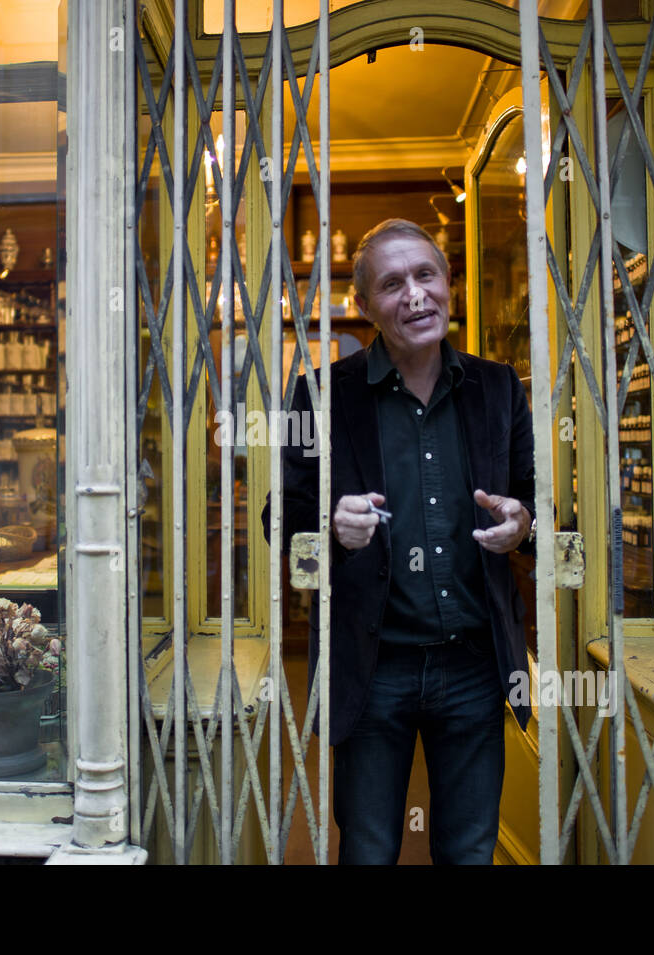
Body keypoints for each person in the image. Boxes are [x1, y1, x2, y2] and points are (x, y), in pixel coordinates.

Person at [261, 218, 535, 864]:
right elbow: (282, 520)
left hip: (473, 664)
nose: (414, 295)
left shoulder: (499, 389)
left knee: (469, 850)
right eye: (392, 284)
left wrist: (522, 524)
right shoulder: (319, 396)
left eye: (426, 276)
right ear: (364, 306)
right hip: (371, 665)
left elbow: (542, 507)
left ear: (449, 286)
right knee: (369, 848)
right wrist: (330, 525)